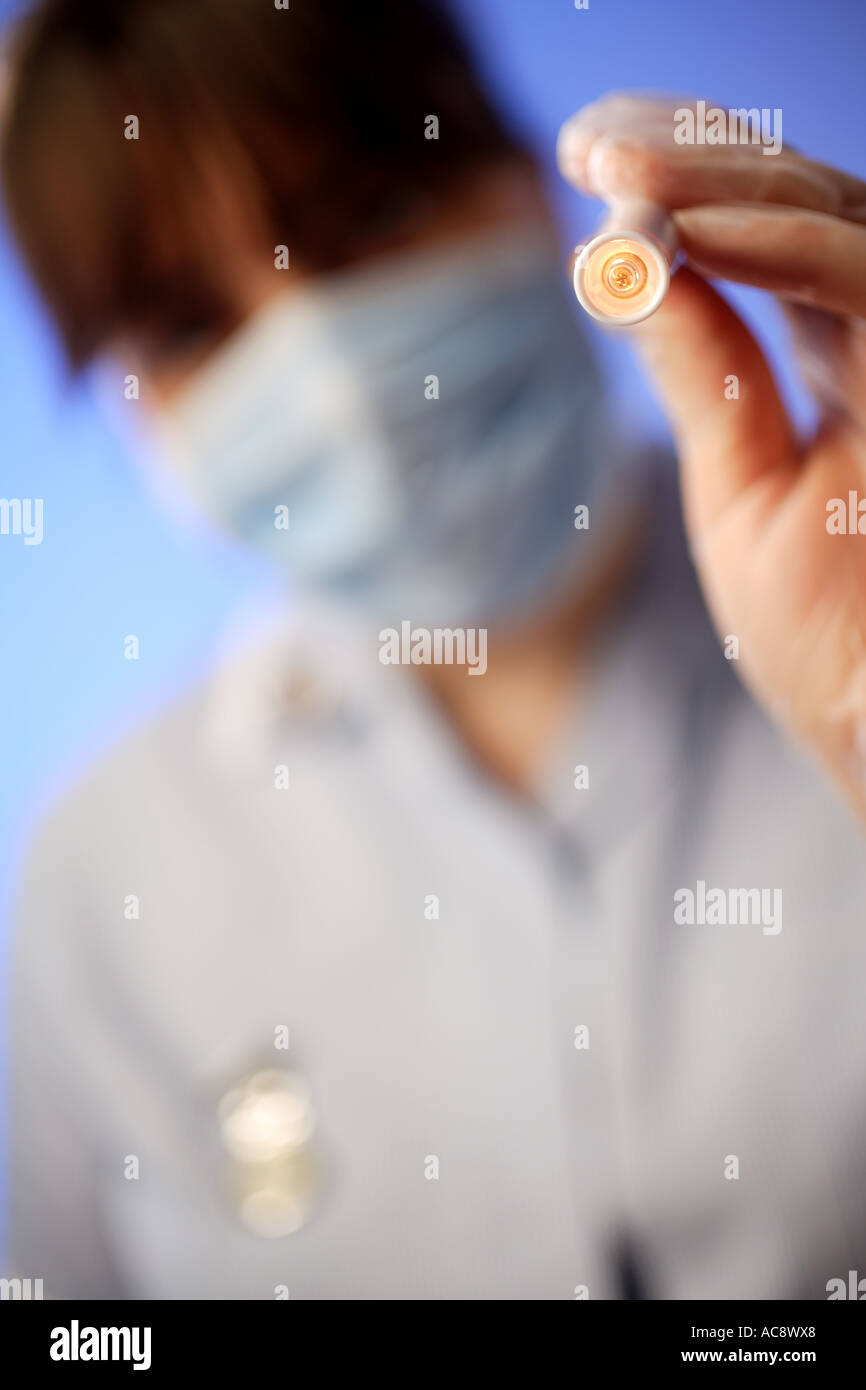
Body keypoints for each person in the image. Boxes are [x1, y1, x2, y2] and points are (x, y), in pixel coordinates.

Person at [4, 0, 866, 1300]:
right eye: (186, 330)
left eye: (370, 222)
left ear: (529, 183)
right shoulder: (101, 887)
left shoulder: (840, 602)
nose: (330, 378)